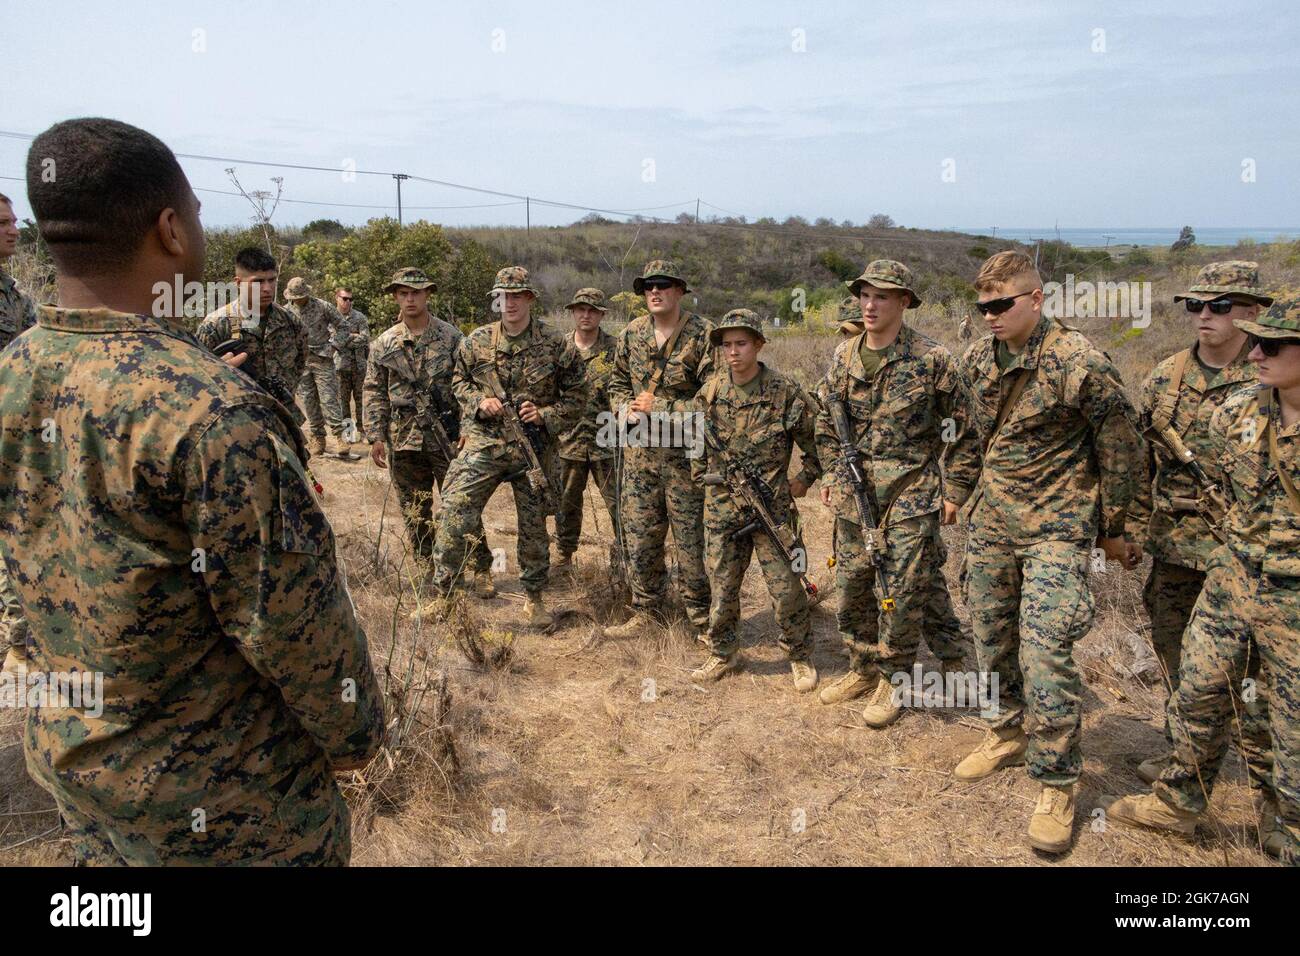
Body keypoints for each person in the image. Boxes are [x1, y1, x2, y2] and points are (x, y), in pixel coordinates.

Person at [0, 117, 383, 865]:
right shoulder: (208, 410)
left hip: (77, 769)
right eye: (200, 213)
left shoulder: (12, 373)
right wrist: (357, 733)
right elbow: (291, 621)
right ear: (171, 230)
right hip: (228, 806)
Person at [943, 250, 1144, 854]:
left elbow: (1120, 447)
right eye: (983, 306)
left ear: (1037, 299)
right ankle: (1005, 730)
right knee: (991, 634)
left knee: (1045, 647)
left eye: (1001, 304)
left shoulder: (1079, 363)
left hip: (1057, 528)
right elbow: (968, 432)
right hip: (993, 524)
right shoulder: (978, 359)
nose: (990, 316)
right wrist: (958, 491)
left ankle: (1057, 781)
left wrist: (1114, 527)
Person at [1107, 291, 1300, 865]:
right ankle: (1178, 803)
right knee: (1198, 690)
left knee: (1286, 718)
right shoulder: (1240, 410)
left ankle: (1286, 824)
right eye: (1257, 340)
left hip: (1292, 594)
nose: (1257, 351)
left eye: (1273, 344)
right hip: (1233, 574)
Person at [1129, 261, 1269, 782]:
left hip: (1241, 555)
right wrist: (1130, 531)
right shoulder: (1166, 376)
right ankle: (1183, 757)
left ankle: (1265, 786)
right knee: (1176, 657)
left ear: (1252, 313)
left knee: (1249, 674)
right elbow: (1140, 464)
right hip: (1174, 547)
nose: (1204, 316)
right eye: (1196, 305)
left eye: (1221, 306)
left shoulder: (1268, 378)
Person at [814, 260, 967, 726]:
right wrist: (831, 474)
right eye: (864, 294)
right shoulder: (843, 356)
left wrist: (955, 489)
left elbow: (961, 429)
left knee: (900, 591)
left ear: (904, 301)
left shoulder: (932, 358)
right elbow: (825, 418)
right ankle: (862, 663)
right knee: (854, 584)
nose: (870, 304)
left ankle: (894, 676)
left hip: (911, 492)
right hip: (853, 494)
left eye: (881, 296)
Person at [430, 267, 584, 626]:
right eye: (502, 296)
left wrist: (546, 414)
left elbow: (579, 395)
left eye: (516, 296)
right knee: (455, 510)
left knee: (533, 526)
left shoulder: (556, 343)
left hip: (533, 448)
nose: (509, 303)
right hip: (486, 443)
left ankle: (534, 599)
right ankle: (446, 594)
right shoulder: (477, 341)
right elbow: (459, 382)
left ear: (529, 298)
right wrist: (479, 402)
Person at [690, 310, 822, 691]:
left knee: (786, 586)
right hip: (722, 509)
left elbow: (817, 441)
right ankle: (723, 652)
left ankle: (799, 654)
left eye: (741, 343)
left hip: (772, 510)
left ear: (759, 345)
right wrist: (703, 478)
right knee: (722, 585)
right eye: (727, 344)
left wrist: (804, 477)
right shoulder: (710, 392)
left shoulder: (784, 391)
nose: (733, 351)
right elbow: (695, 441)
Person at [365, 268, 495, 600]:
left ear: (427, 295)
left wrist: (468, 428)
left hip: (446, 436)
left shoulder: (451, 337)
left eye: (416, 293)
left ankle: (480, 567)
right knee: (414, 510)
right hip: (403, 436)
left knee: (460, 504)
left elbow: (469, 386)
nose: (410, 299)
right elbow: (374, 390)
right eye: (403, 293)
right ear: (396, 296)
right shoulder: (385, 343)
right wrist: (376, 435)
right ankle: (429, 569)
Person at [604, 260, 716, 638]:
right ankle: (646, 610)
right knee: (641, 536)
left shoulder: (704, 335)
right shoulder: (631, 334)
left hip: (686, 459)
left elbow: (712, 400)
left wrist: (662, 409)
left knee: (691, 541)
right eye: (649, 286)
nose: (655, 292)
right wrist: (623, 409)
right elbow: (617, 381)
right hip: (639, 456)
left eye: (664, 285)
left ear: (679, 291)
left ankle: (701, 618)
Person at [554, 288, 622, 574]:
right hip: (568, 440)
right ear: (572, 312)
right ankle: (564, 555)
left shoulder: (618, 349)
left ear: (601, 314)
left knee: (619, 503)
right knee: (566, 502)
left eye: (592, 310)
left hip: (608, 442)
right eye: (580, 309)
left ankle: (627, 554)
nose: (586, 315)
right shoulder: (559, 348)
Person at [0, 191, 37, 679]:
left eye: (12, 221)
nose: (12, 229)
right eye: (1, 222)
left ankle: (23, 642)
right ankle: (20, 646)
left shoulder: (15, 294)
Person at [285, 276, 354, 458]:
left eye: (299, 297)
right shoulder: (286, 311)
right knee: (308, 401)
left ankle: (340, 436)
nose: (297, 300)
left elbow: (343, 327)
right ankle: (318, 437)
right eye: (294, 298)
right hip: (301, 362)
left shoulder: (323, 306)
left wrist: (335, 346)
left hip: (323, 359)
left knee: (329, 398)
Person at [332, 286, 370, 437]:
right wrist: (353, 335)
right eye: (344, 299)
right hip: (340, 366)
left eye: (350, 299)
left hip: (359, 366)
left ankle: (363, 430)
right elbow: (332, 339)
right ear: (337, 298)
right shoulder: (331, 317)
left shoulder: (359, 317)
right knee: (343, 402)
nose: (348, 302)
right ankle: (348, 433)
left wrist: (344, 339)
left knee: (361, 400)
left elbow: (365, 338)